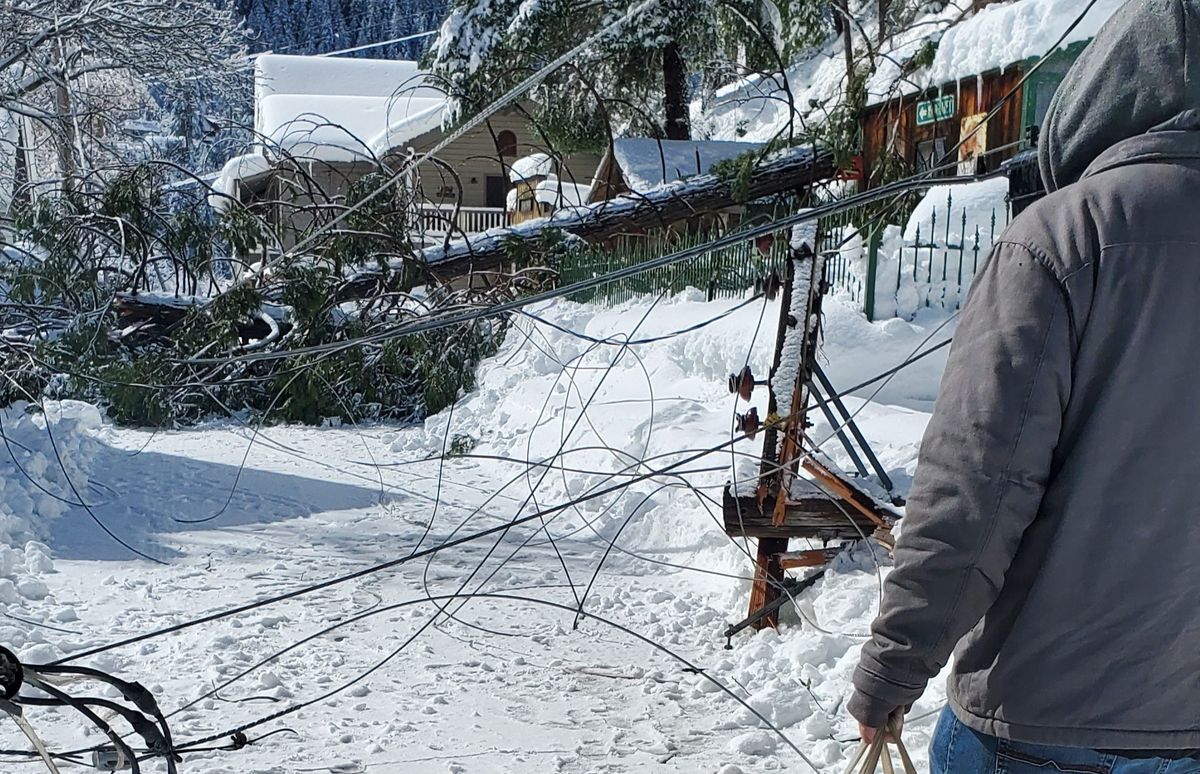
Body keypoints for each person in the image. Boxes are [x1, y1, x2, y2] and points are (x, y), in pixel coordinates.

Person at [848, 0, 1200, 771]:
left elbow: (977, 490)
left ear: (1102, 94)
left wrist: (894, 666)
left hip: (1043, 722)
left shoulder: (1065, 239)